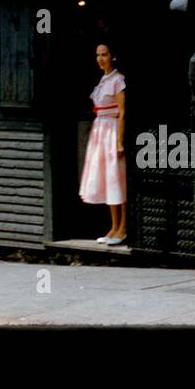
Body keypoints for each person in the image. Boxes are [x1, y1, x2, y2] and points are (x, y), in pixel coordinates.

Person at [79, 44, 128, 244]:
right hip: (100, 131)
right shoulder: (103, 80)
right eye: (98, 55)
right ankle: (113, 226)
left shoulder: (118, 80)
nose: (101, 59)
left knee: (117, 178)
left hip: (112, 130)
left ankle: (123, 227)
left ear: (112, 56)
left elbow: (122, 112)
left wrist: (119, 142)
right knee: (107, 178)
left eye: (105, 55)